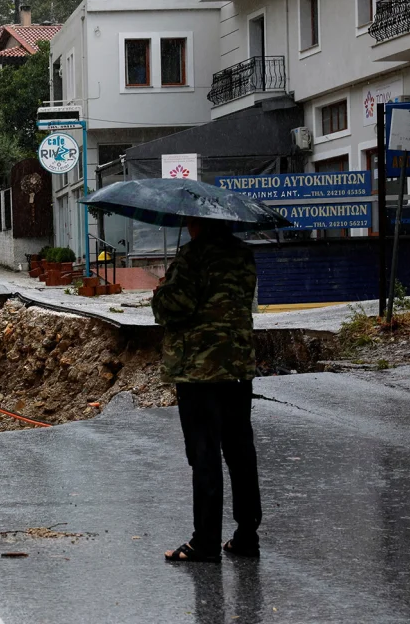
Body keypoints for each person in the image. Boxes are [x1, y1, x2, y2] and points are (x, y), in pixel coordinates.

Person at [152, 216, 262, 563]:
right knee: (240, 451)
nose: (187, 226)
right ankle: (247, 535)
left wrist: (160, 292)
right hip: (237, 367)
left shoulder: (193, 256)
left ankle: (205, 542)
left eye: (190, 222)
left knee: (205, 455)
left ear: (199, 224)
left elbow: (176, 306)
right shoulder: (243, 254)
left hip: (199, 370)